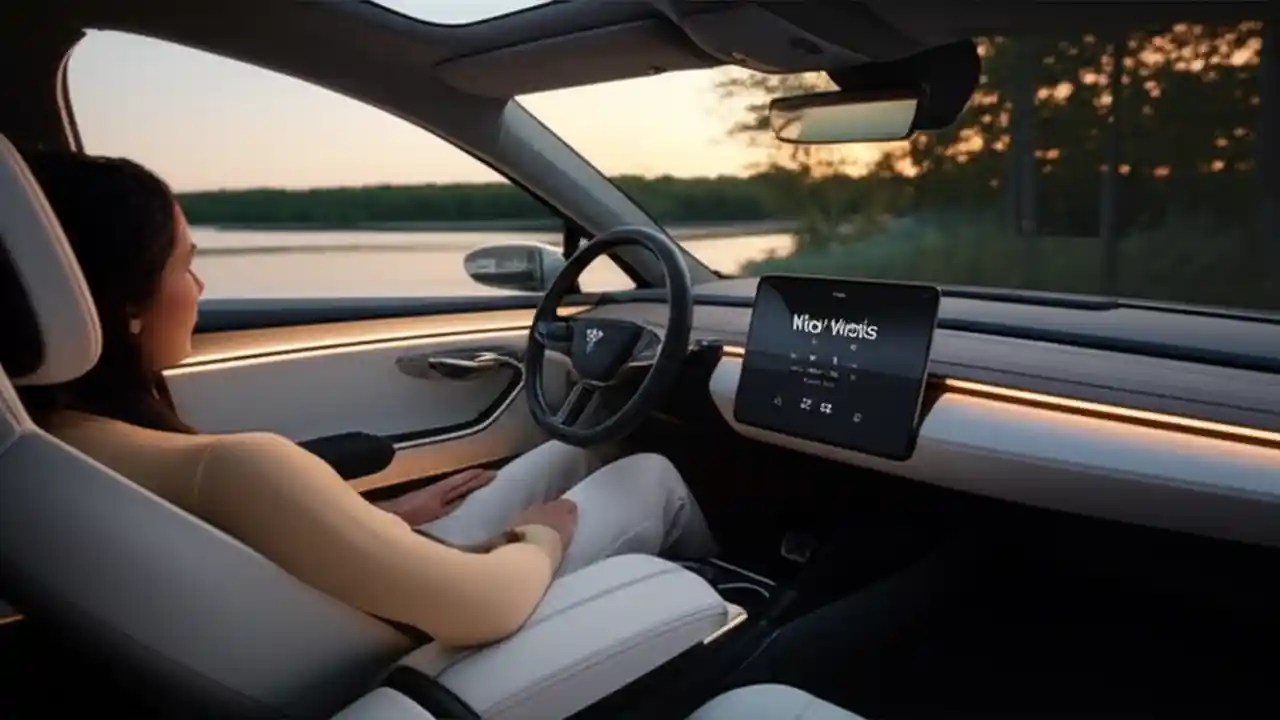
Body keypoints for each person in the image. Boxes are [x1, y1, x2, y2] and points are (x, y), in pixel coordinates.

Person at [13, 148, 717, 647]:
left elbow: (244, 548)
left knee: (568, 453)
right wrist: (540, 536)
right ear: (125, 300)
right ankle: (732, 617)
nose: (199, 290)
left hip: (337, 602)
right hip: (410, 636)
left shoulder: (45, 441)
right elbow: (488, 604)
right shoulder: (232, 466)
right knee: (649, 478)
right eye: (185, 265)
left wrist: (377, 520)